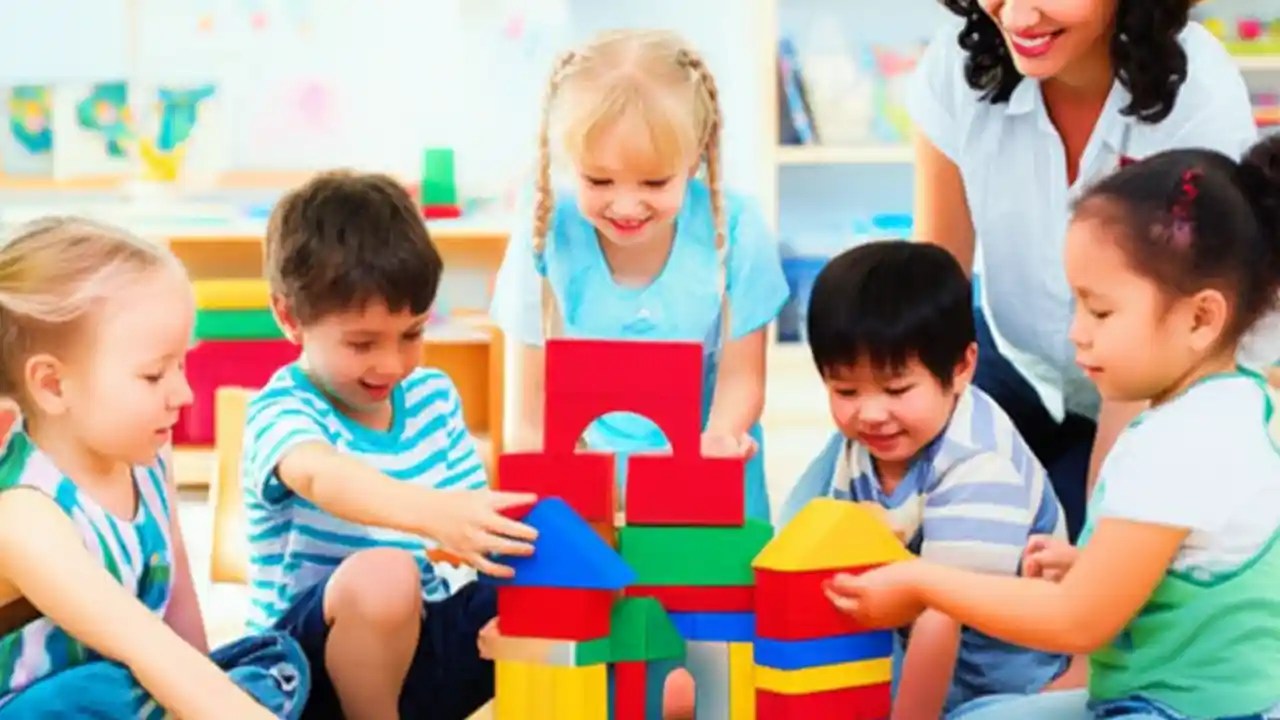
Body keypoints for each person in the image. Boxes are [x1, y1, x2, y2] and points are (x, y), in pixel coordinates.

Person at [825, 136, 1280, 719]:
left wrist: (921, 582)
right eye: (1076, 307)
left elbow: (1076, 622)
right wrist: (1092, 564)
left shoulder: (1177, 444)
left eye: (1100, 311)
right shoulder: (1236, 402)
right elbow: (1193, 558)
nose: (1076, 333)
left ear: (1200, 318)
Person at [909, 0, 1277, 540]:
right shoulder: (956, 67)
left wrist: (1092, 544)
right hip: (1015, 360)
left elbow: (1152, 354)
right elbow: (936, 282)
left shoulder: (1197, 92)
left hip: (1157, 378)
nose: (1015, 17)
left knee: (1057, 552)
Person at [241, 171, 538, 720]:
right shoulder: (282, 408)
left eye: (412, 334)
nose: (392, 364)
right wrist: (432, 515)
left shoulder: (432, 396)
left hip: (417, 651)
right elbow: (319, 474)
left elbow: (474, 532)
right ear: (289, 317)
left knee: (543, 571)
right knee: (385, 575)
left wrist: (515, 609)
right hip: (301, 676)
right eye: (361, 343)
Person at [0, 217, 309, 718]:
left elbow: (180, 623)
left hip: (133, 686)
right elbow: (147, 646)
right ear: (54, 386)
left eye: (182, 365)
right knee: (120, 684)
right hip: (59, 705)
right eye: (153, 374)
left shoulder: (143, 457)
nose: (184, 395)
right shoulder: (25, 515)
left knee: (269, 660)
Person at [488, 28, 790, 524]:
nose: (626, 205)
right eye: (598, 180)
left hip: (707, 485)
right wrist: (556, 501)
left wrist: (713, 446)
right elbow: (527, 412)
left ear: (693, 158)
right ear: (568, 162)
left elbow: (743, 379)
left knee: (706, 597)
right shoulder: (545, 228)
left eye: (654, 181)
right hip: (586, 492)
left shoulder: (734, 227)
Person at [780, 241, 1077, 718]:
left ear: (961, 368)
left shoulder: (979, 465)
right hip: (908, 653)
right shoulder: (862, 444)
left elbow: (943, 616)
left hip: (1003, 688)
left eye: (897, 389)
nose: (871, 413)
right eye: (845, 390)